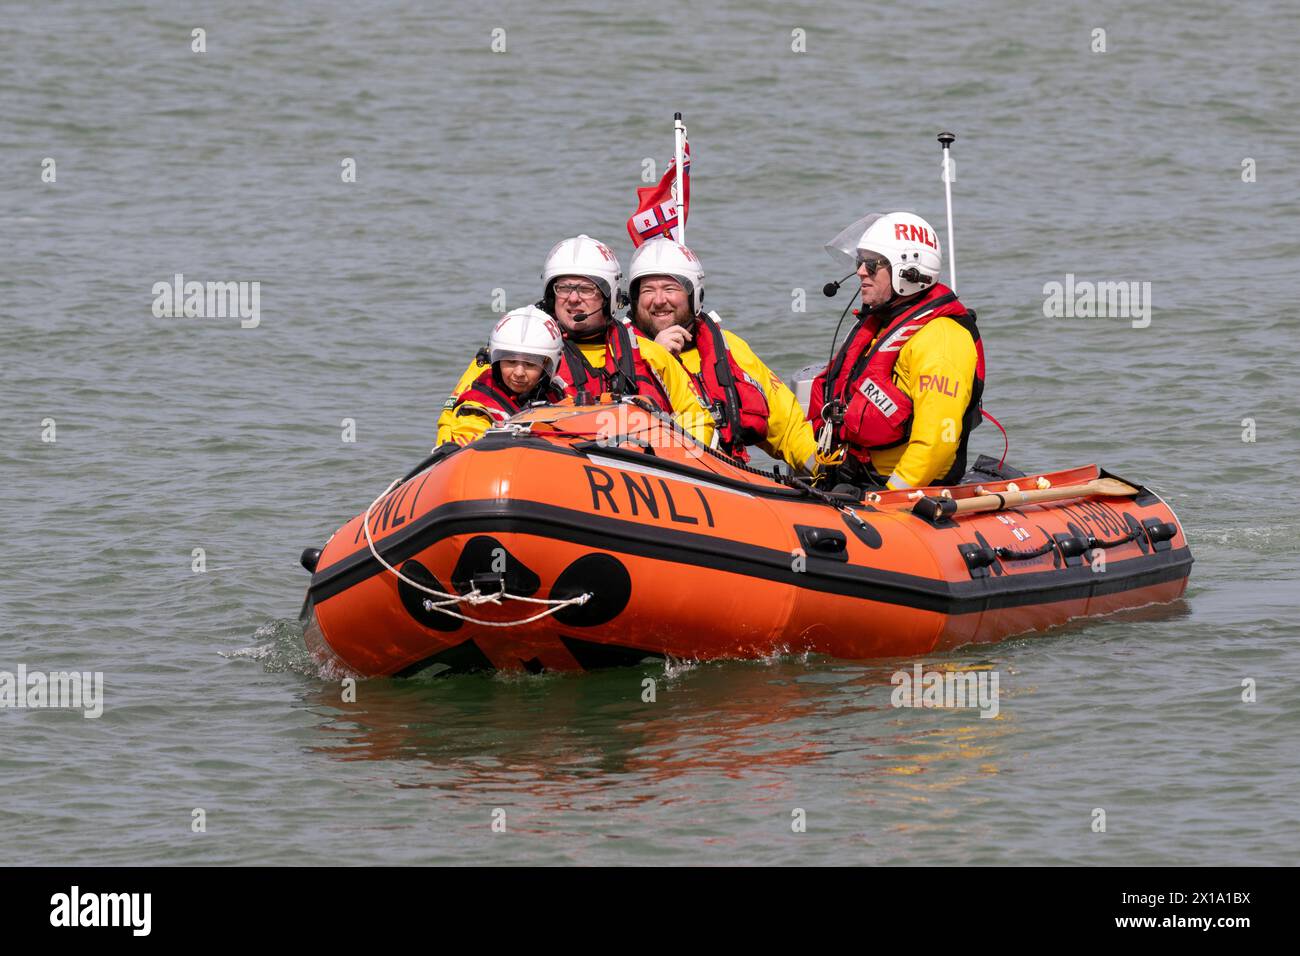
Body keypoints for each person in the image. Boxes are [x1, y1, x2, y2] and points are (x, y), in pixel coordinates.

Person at [436, 235, 714, 447]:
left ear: (610, 296)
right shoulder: (515, 346)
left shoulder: (648, 354)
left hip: (636, 473)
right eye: (564, 288)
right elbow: (459, 417)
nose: (572, 298)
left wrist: (664, 450)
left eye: (585, 289)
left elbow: (698, 419)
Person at [807, 212, 985, 490]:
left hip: (895, 491)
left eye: (871, 264)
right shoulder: (877, 325)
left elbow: (936, 442)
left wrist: (891, 497)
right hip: (851, 478)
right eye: (859, 261)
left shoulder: (942, 339)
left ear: (908, 272)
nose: (860, 271)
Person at [626, 237, 817, 473]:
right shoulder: (621, 355)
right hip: (658, 477)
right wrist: (655, 357)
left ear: (694, 296)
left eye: (670, 288)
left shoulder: (729, 348)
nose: (659, 300)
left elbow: (788, 428)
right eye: (648, 290)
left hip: (728, 482)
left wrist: (825, 470)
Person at [437, 305, 566, 446]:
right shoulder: (475, 411)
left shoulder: (556, 392)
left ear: (548, 367)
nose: (519, 373)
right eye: (510, 361)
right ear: (497, 362)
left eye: (530, 364)